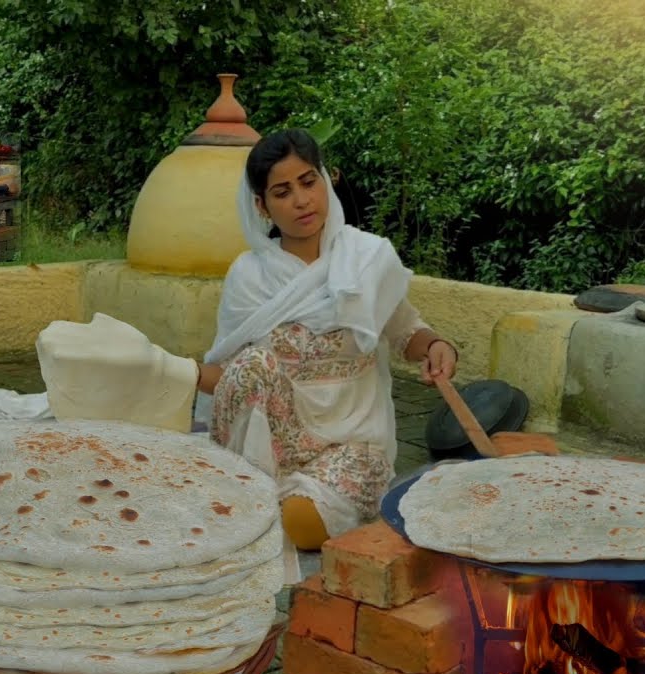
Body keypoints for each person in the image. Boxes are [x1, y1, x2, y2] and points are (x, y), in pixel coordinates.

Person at [193, 128, 460, 551]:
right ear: (262, 206)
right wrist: (173, 372)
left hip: (353, 444)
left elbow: (406, 331)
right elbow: (235, 378)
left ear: (324, 179)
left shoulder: (366, 258)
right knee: (255, 365)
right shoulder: (249, 275)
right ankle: (249, 493)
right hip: (274, 444)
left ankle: (254, 507)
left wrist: (434, 347)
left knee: (298, 523)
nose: (301, 200)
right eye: (282, 192)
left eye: (308, 181)